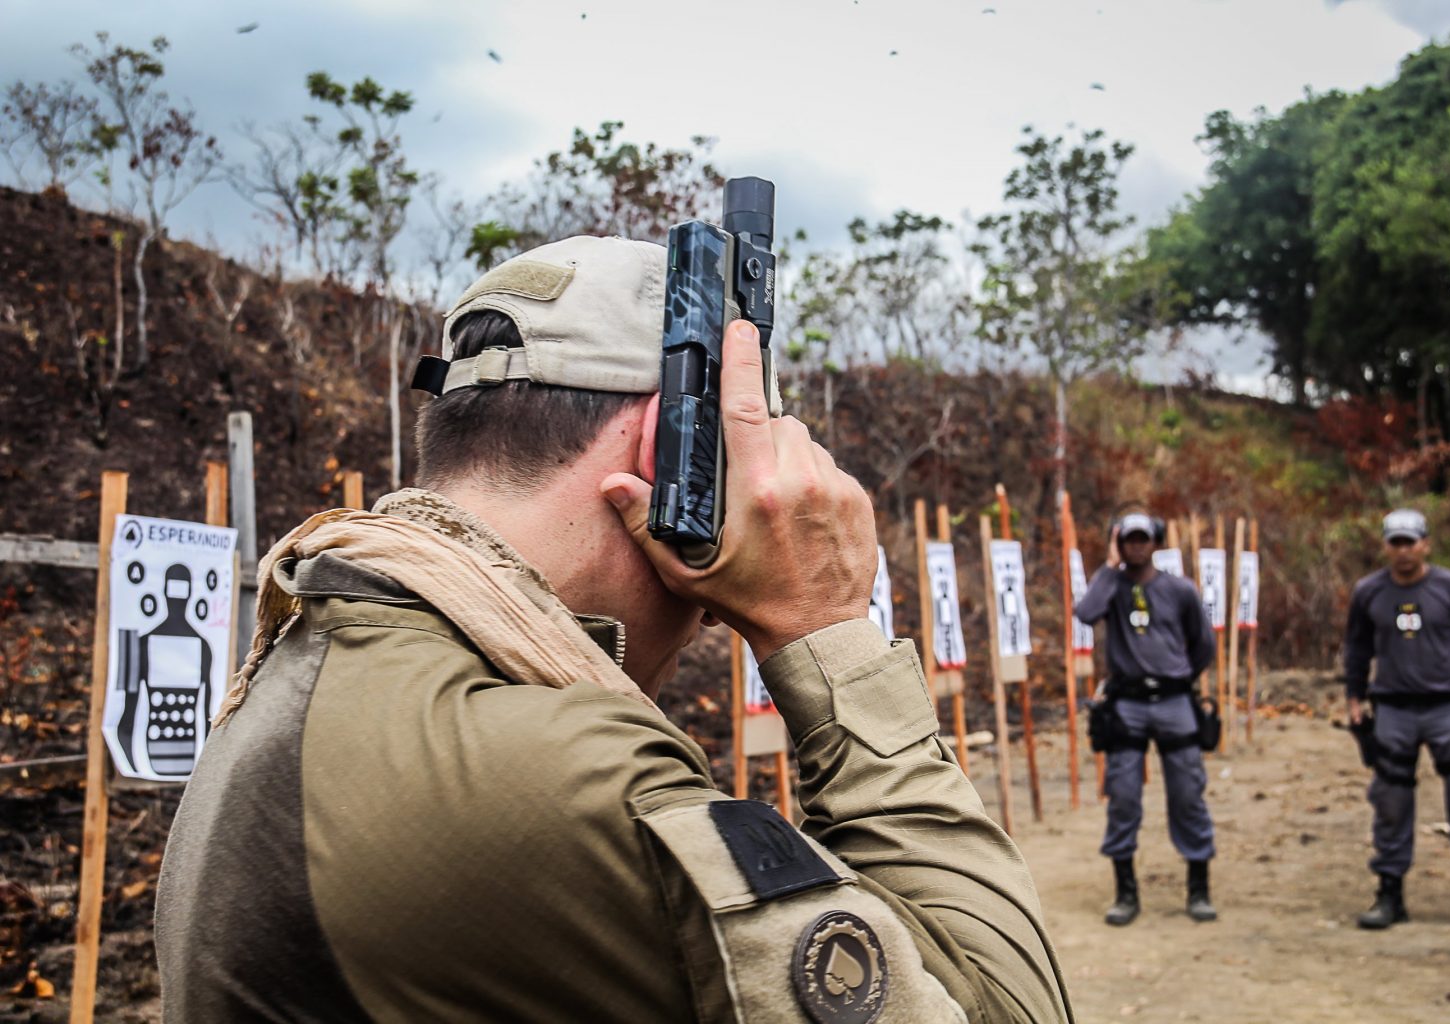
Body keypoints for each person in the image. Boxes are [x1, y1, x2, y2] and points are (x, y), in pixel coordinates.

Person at [154, 236, 1074, 1022]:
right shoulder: (565, 776)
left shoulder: (306, 658)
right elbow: (1009, 1002)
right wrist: (828, 627)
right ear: (666, 457)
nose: (714, 607)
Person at [1344, 508, 1450, 937]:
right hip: (1392, 707)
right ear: (1385, 546)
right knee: (1391, 802)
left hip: (1446, 706)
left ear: (1425, 545)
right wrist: (1354, 696)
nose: (1403, 551)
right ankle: (1390, 893)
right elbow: (1357, 648)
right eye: (1395, 543)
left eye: (1410, 542)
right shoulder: (1368, 592)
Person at [1074, 513, 1217, 926]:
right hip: (1127, 705)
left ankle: (1199, 888)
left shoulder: (1179, 590)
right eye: (1128, 539)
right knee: (1123, 797)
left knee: (1188, 793)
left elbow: (1202, 644)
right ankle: (1126, 893)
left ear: (1155, 542)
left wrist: (1179, 680)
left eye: (1143, 538)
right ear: (1118, 542)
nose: (1136, 546)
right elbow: (1085, 613)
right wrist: (1108, 564)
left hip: (1173, 702)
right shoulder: (1112, 587)